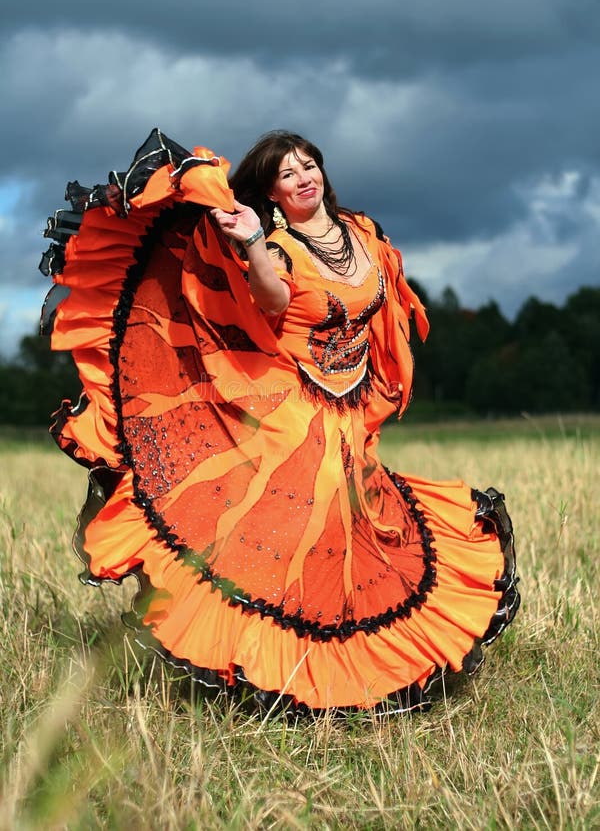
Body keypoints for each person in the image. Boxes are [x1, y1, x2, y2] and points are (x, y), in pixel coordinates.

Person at [40, 128, 520, 715]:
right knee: (295, 535)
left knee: (361, 533)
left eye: (309, 164)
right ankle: (293, 673)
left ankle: (366, 669)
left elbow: (382, 307)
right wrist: (252, 244)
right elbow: (271, 299)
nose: (304, 177)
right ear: (272, 192)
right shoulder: (279, 248)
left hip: (349, 409)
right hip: (292, 406)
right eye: (287, 173)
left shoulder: (362, 234)